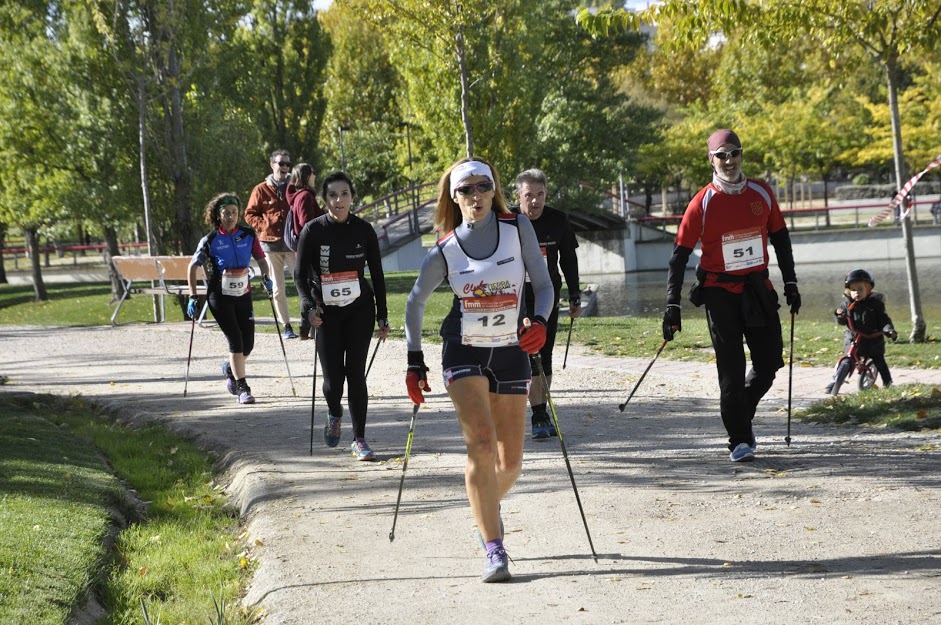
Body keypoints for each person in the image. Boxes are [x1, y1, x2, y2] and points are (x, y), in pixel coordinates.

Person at [404, 158, 554, 583]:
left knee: (510, 464)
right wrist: (415, 361)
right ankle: (493, 547)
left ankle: (484, 505)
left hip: (511, 349)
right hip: (463, 348)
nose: (475, 196)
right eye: (465, 189)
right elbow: (414, 304)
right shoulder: (446, 248)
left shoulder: (518, 228)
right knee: (482, 445)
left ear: (494, 190)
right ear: (454, 197)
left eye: (482, 187)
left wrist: (539, 323)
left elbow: (542, 285)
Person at [662, 129, 801, 463]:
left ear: (742, 155)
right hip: (719, 293)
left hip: (757, 288)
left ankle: (743, 412)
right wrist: (672, 304)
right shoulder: (702, 202)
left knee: (769, 362)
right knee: (732, 368)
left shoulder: (762, 193)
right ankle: (738, 439)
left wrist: (791, 283)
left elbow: (780, 239)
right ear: (711, 159)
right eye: (721, 155)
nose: (729, 161)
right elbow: (679, 256)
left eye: (734, 153)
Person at [294, 171, 389, 461]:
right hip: (326, 314)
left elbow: (377, 273)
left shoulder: (364, 230)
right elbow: (298, 277)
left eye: (344, 194)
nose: (339, 200)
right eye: (333, 195)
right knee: (333, 381)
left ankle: (359, 439)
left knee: (356, 375)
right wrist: (310, 308)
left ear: (352, 197)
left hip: (359, 310)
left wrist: (382, 316)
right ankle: (334, 411)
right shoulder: (313, 230)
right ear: (325, 200)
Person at [512, 168, 582, 439]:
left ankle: (541, 411)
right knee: (528, 356)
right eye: (529, 195)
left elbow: (569, 261)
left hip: (547, 295)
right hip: (516, 298)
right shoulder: (508, 220)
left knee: (545, 354)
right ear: (519, 196)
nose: (535, 201)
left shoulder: (558, 220)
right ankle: (538, 413)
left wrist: (575, 295)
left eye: (540, 194)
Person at [187, 193, 272, 405]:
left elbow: (262, 259)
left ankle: (229, 368)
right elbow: (193, 267)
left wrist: (266, 277)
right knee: (235, 340)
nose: (231, 217)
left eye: (234, 213)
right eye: (226, 213)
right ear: (218, 215)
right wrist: (192, 296)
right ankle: (243, 387)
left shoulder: (248, 235)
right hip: (220, 295)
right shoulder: (210, 240)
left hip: (243, 293)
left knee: (248, 344)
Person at [245, 149, 297, 339]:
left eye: (287, 164)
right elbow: (249, 214)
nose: (284, 167)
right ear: (272, 164)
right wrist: (264, 225)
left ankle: (309, 321)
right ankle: (287, 326)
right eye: (281, 163)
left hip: (293, 245)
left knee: (302, 283)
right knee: (278, 288)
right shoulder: (261, 189)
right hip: (270, 245)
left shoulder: (294, 187)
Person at [825, 269, 897, 392]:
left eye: (860, 289)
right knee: (847, 359)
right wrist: (839, 315)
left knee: (879, 361)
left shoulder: (875, 305)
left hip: (872, 340)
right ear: (848, 291)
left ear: (868, 290)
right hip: (854, 338)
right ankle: (835, 380)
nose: (856, 292)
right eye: (853, 290)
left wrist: (888, 330)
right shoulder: (847, 304)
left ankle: (888, 382)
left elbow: (884, 319)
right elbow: (842, 321)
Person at [286, 163, 324, 340]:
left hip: (304, 250)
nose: (315, 176)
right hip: (309, 250)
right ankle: (308, 326)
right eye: (313, 173)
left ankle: (306, 328)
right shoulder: (305, 197)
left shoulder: (300, 196)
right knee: (312, 289)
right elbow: (307, 224)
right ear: (306, 176)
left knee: (309, 288)